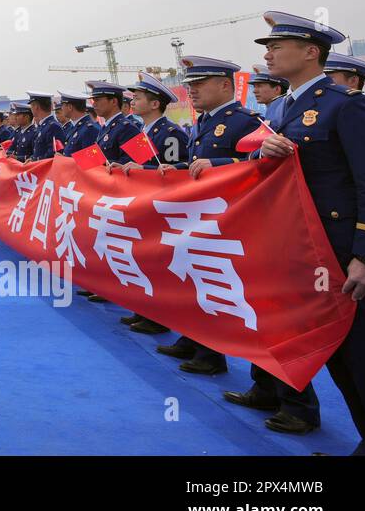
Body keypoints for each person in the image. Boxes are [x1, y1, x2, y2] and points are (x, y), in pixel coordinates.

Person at [251, 12, 365, 449]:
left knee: (362, 357)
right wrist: (264, 153)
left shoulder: (346, 103)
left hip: (344, 253)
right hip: (305, 249)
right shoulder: (285, 108)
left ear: (310, 52)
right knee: (337, 356)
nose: (267, 54)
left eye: (276, 46)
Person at [153, 55, 263, 376]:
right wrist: (177, 169)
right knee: (199, 284)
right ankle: (202, 347)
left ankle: (279, 394)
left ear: (225, 85)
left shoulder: (245, 121)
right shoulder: (203, 121)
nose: (193, 92)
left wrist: (221, 165)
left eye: (199, 85)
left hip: (235, 222)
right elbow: (197, 163)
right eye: (191, 86)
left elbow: (260, 164)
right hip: (204, 219)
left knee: (239, 295)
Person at [117, 72, 190, 335]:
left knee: (162, 265)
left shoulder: (169, 133)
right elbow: (141, 166)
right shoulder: (143, 131)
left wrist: (142, 170)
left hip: (163, 210)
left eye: (137, 98)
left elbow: (173, 172)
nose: (133, 102)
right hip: (144, 207)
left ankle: (161, 318)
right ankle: (146, 311)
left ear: (155, 103)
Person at [25, 91, 64, 160]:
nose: (31, 109)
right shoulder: (43, 125)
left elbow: (53, 154)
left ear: (36, 106)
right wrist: (31, 158)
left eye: (31, 105)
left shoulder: (53, 126)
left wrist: (35, 160)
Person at [58, 91, 99, 156]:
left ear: (70, 107)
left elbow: (91, 160)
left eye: (62, 105)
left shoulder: (89, 129)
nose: (62, 108)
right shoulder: (76, 127)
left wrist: (65, 160)